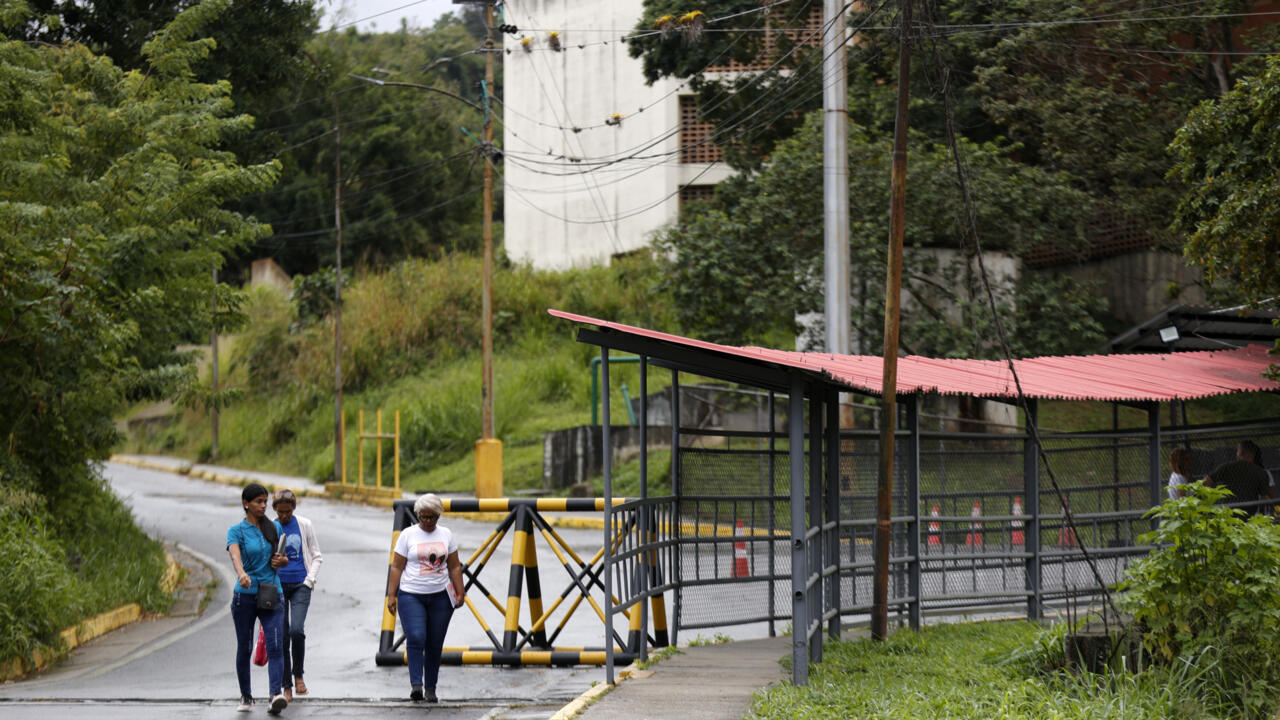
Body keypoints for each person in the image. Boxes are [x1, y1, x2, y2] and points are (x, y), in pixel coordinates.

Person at [385, 494, 465, 704]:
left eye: (432, 517)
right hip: (412, 595)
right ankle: (416, 685)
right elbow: (396, 566)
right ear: (418, 515)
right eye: (424, 517)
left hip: (440, 597)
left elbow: (454, 565)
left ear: (438, 516)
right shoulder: (407, 535)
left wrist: (460, 591)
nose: (428, 522)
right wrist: (391, 595)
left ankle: (431, 688)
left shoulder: (446, 534)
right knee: (417, 636)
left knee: (434, 643)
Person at [227, 483, 290, 715]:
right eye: (258, 502)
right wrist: (241, 573)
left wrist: (280, 562)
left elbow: (284, 558)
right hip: (244, 596)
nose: (263, 506)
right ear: (246, 504)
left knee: (276, 644)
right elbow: (235, 555)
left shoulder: (273, 528)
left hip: (272, 592)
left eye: (265, 501)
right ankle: (246, 695)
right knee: (244, 647)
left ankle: (275, 694)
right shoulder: (236, 531)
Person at [272, 489, 322, 702]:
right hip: (278, 587)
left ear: (293, 508)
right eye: (280, 512)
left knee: (296, 630)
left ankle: (298, 674)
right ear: (274, 510)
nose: (284, 516)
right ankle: (287, 686)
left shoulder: (304, 525)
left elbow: (316, 555)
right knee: (282, 636)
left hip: (301, 584)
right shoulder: (270, 528)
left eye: (288, 511)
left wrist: (309, 580)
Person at [1204, 440, 1272, 516]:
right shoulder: (1261, 472)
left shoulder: (1228, 467)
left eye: (1237, 451)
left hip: (1228, 511)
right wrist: (1261, 515)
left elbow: (1207, 481)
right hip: (1249, 512)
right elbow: (1264, 497)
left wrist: (1212, 499)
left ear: (1241, 453)